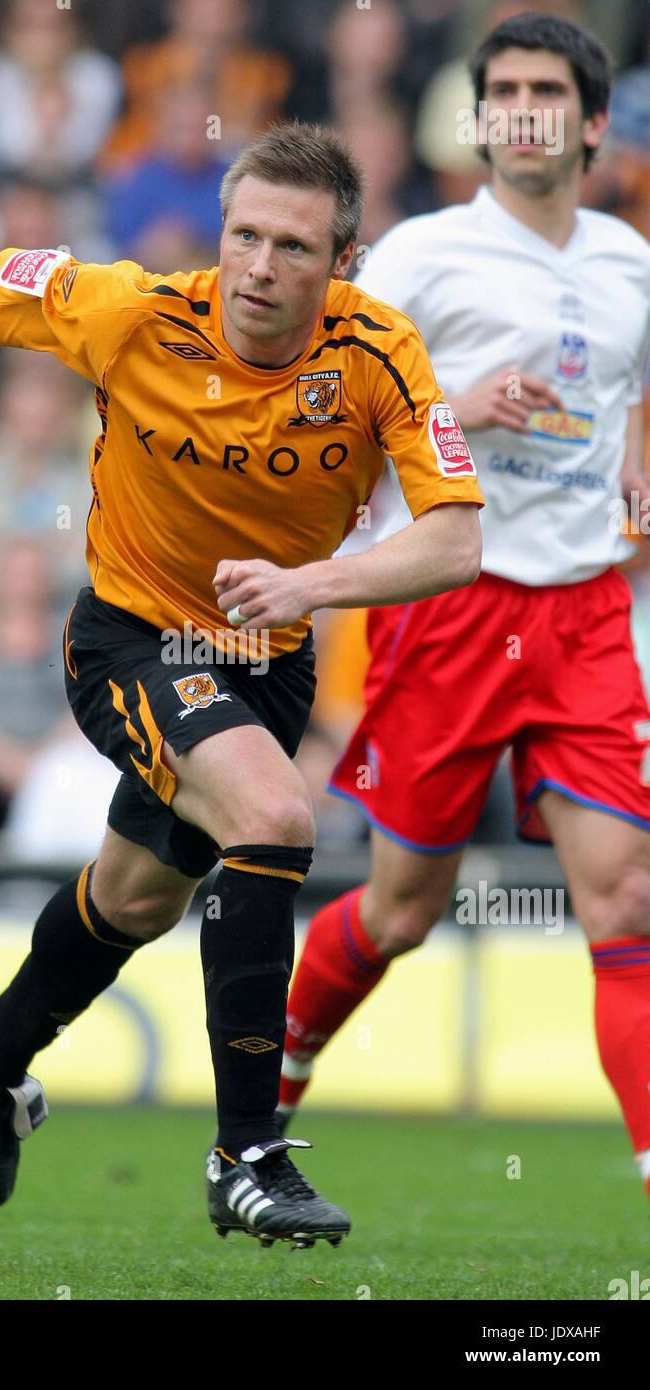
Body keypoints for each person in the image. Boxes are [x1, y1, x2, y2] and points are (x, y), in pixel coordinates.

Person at [0, 121, 483, 1247]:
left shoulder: (380, 354)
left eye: (292, 246)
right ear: (218, 236)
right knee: (274, 817)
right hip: (130, 641)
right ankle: (248, 1157)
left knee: (135, 900)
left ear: (342, 264)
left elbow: (455, 543)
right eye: (244, 236)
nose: (260, 268)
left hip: (266, 664)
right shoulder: (130, 307)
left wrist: (310, 584)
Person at [279, 15, 650, 1202]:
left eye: (547, 90)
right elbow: (315, 405)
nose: (524, 109)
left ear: (591, 124)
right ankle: (265, 1090)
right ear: (480, 118)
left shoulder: (631, 264)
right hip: (449, 599)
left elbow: (627, 393)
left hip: (586, 607)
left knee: (628, 894)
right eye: (504, 91)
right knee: (399, 911)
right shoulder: (418, 256)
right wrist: (456, 405)